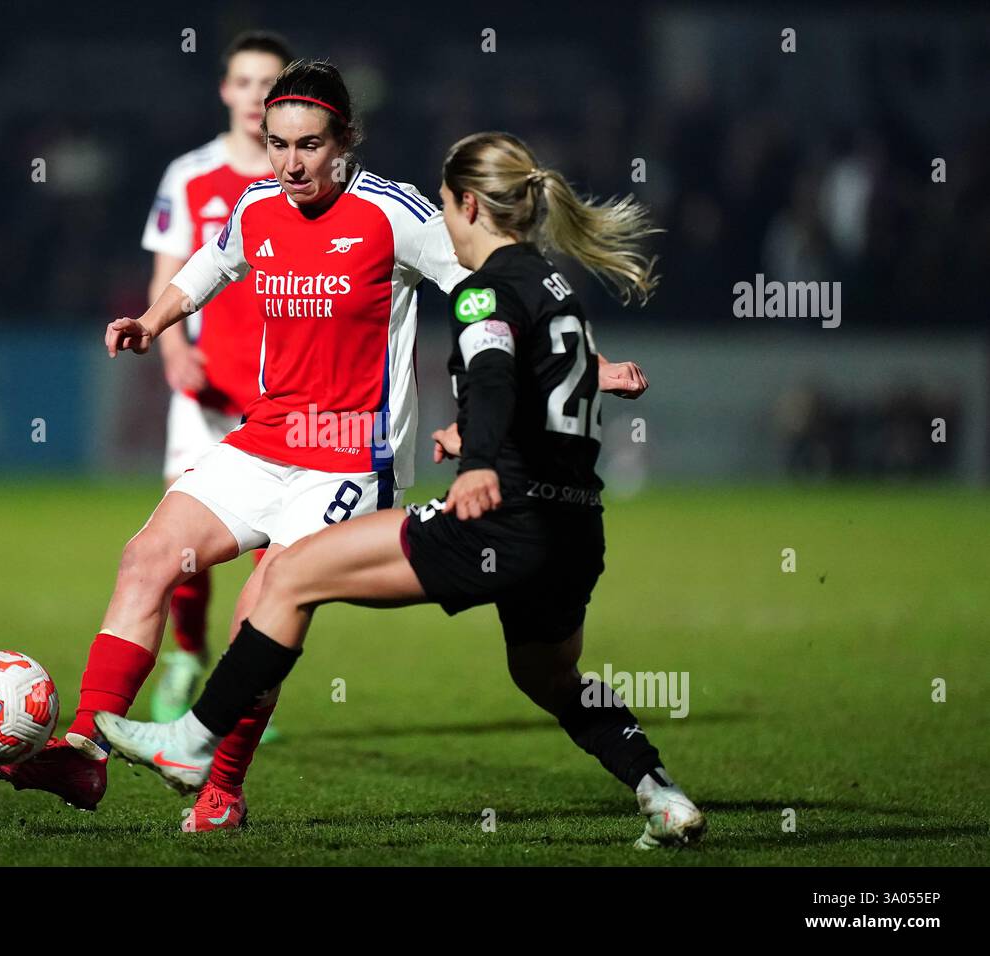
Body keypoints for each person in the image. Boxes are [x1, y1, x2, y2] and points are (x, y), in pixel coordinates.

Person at [0, 63, 646, 833]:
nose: (292, 163)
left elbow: (498, 287)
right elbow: (212, 262)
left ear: (347, 140)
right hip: (264, 439)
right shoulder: (260, 203)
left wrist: (577, 365)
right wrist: (155, 318)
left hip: (347, 456)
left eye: (310, 145)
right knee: (145, 559)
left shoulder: (396, 215)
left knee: (259, 608)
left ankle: (222, 789)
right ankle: (83, 753)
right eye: (277, 145)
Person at [94, 131, 706, 850]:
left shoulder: (485, 293)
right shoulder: (552, 285)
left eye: (444, 205)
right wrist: (476, 435)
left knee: (290, 574)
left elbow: (493, 374)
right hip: (576, 530)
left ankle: (195, 743)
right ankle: (660, 792)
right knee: (551, 677)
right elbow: (531, 388)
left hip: (500, 522)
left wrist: (476, 459)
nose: (437, 219)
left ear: (469, 205)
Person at [137, 31, 292, 730]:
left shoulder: (305, 176)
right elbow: (167, 276)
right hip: (207, 389)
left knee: (278, 554)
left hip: (285, 390)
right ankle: (187, 657)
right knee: (183, 543)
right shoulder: (189, 174)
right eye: (245, 81)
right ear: (226, 90)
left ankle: (244, 689)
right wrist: (174, 353)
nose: (257, 95)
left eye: (270, 83)